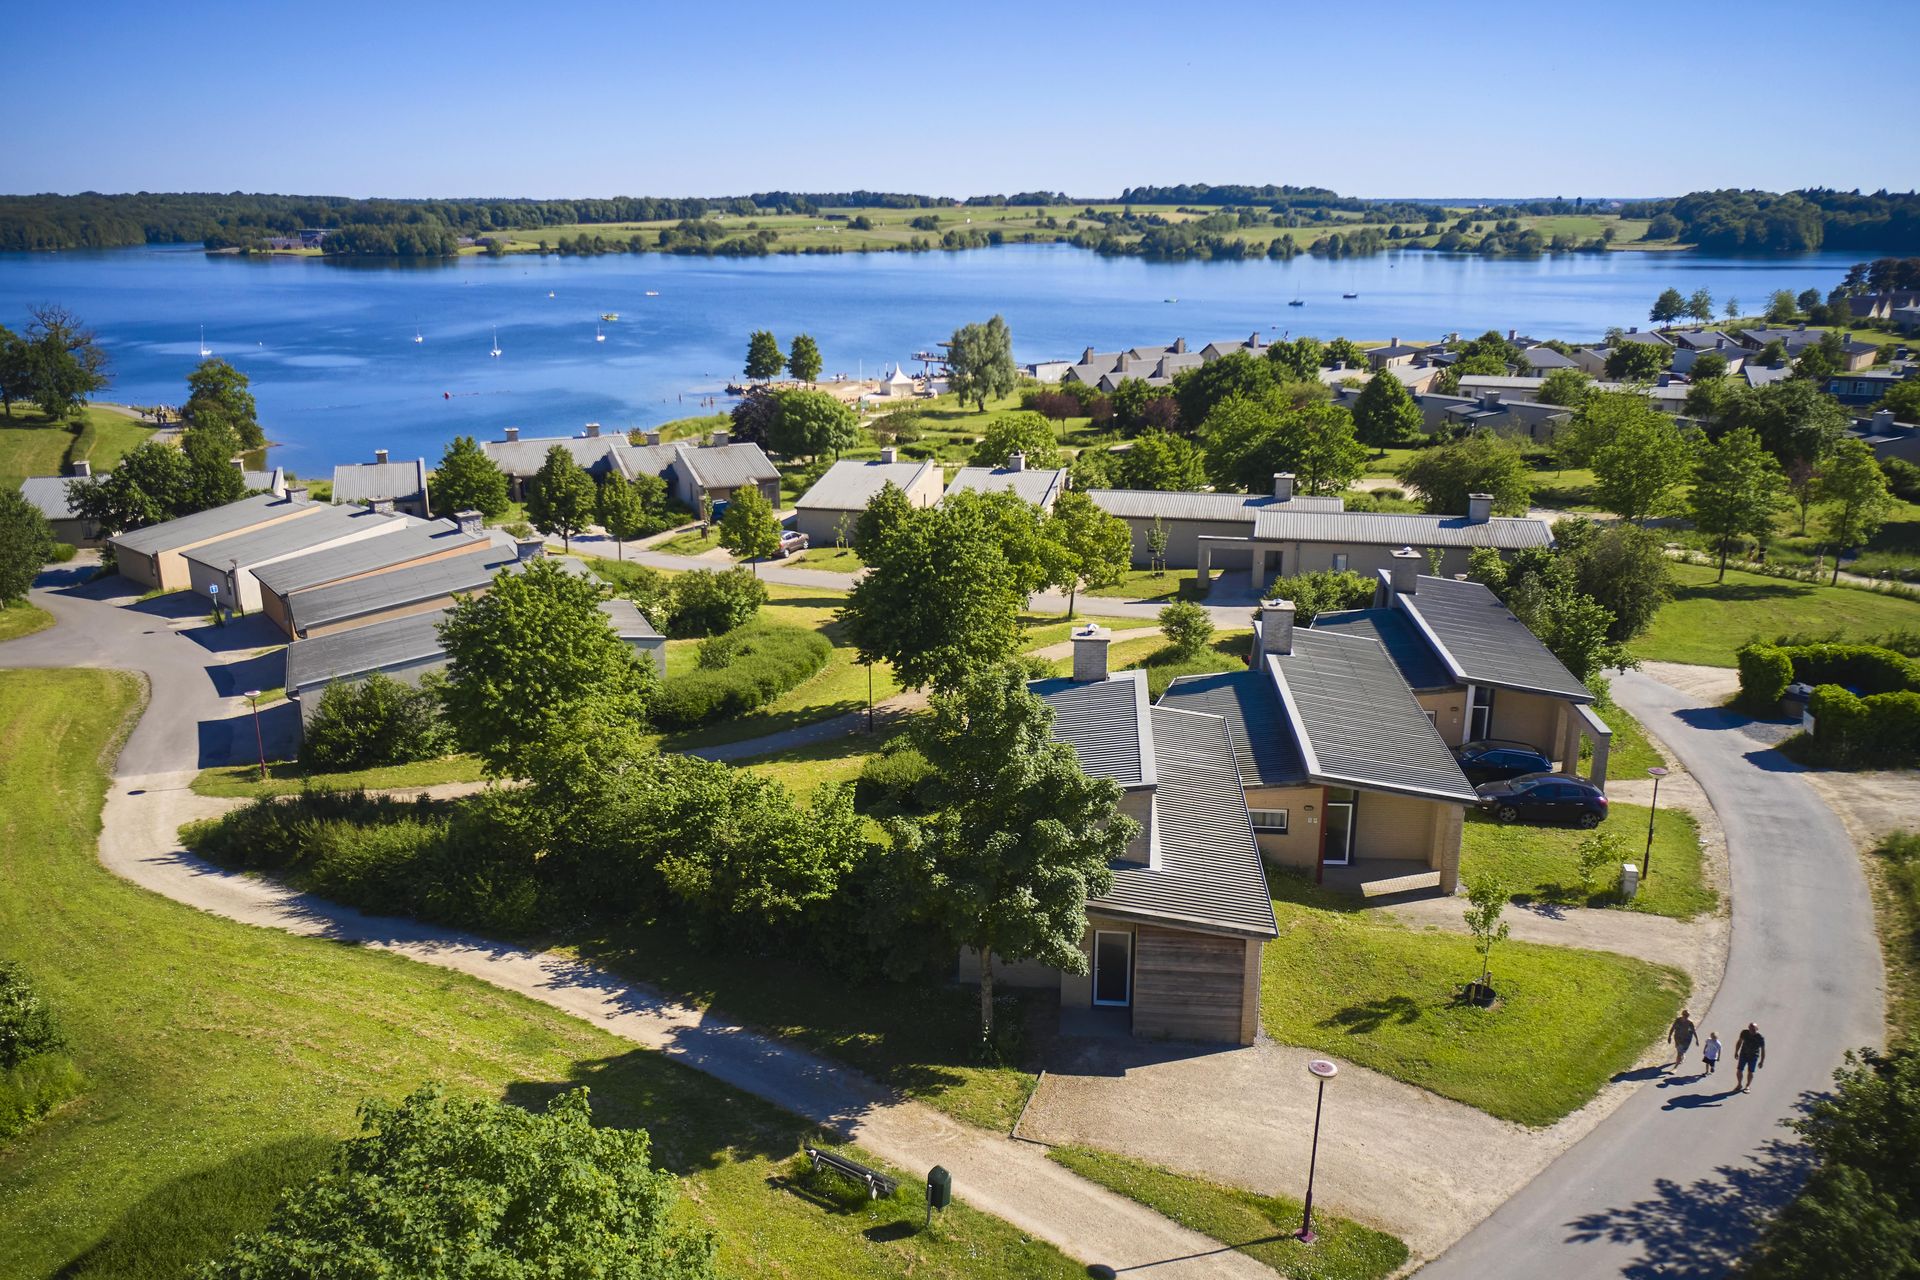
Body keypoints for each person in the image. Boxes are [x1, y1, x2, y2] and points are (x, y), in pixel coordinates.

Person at [1734, 1023, 1766, 1093]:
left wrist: (1762, 1061)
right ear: (1748, 1029)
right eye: (1750, 1029)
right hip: (1743, 1054)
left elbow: (1763, 1050)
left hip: (1753, 1056)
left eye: (1754, 1029)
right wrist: (1736, 1052)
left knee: (1750, 1072)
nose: (1752, 1031)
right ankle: (1739, 1084)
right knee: (1739, 1070)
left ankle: (1747, 1086)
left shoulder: (1760, 1037)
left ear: (1757, 1029)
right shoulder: (1744, 1033)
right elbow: (1739, 1042)